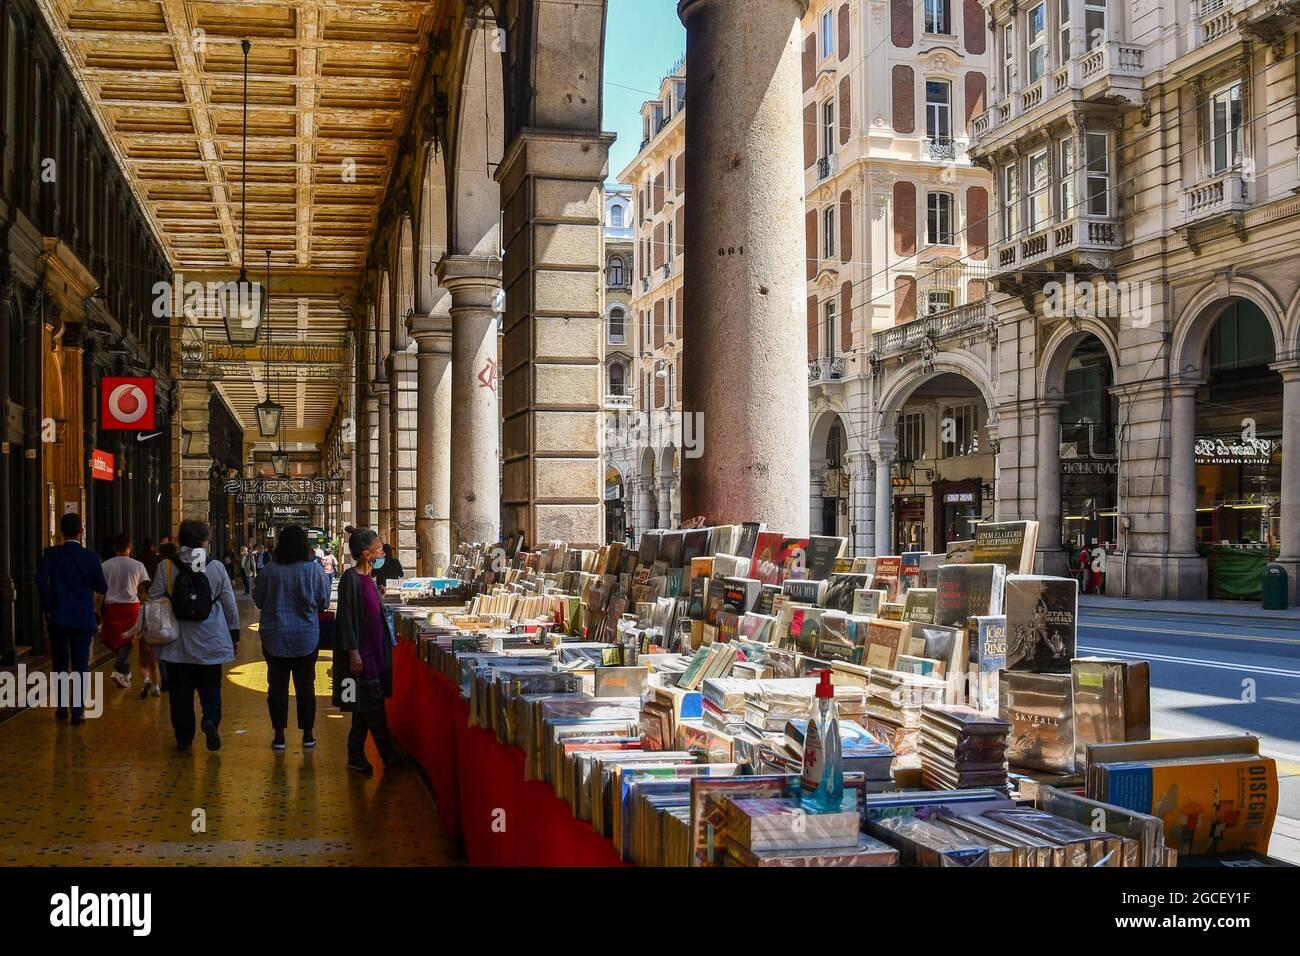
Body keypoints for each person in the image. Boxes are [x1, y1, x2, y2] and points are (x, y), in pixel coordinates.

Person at [151, 520, 240, 752]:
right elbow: (229, 604)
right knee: (211, 689)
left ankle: (183, 738)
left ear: (179, 540)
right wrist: (234, 633)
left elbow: (153, 600)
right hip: (210, 642)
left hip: (176, 644)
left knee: (180, 695)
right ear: (204, 541)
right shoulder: (215, 566)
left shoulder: (166, 567)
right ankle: (210, 720)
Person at [253, 524, 331, 751]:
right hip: (306, 636)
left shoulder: (269, 570)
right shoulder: (314, 571)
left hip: (274, 636)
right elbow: (324, 601)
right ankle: (308, 734)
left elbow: (258, 600)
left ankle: (279, 734)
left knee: (276, 686)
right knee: (306, 685)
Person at [333, 528, 403, 774]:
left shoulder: (369, 579)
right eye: (379, 550)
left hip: (374, 652)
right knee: (374, 708)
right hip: (363, 656)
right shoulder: (350, 579)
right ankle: (389, 757)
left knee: (363, 709)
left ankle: (355, 755)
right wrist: (353, 652)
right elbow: (347, 618)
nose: (383, 553)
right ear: (366, 554)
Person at [36, 512, 107, 725]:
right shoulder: (91, 557)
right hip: (83, 619)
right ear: (81, 531)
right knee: (80, 664)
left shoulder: (51, 554)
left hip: (58, 618)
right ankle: (77, 712)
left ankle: (61, 708)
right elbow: (102, 586)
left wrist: (49, 606)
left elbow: (40, 580)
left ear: (60, 532)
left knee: (59, 663)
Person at [100, 533, 151, 692]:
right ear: (130, 547)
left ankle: (125, 671)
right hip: (131, 606)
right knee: (127, 640)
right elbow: (144, 588)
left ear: (115, 547)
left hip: (112, 606)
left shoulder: (105, 565)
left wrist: (96, 608)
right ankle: (118, 668)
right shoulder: (138, 565)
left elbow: (100, 589)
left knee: (114, 637)